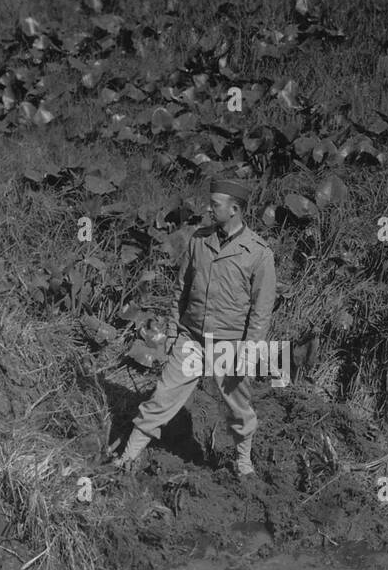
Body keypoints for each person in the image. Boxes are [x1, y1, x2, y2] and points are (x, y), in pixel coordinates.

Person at [114, 177, 276, 477]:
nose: (208, 209)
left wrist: (250, 352)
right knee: (162, 396)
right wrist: (174, 331)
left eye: (215, 205)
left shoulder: (259, 253)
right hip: (192, 339)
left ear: (235, 209)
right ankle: (128, 455)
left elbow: (261, 311)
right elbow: (181, 289)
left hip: (230, 345)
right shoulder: (199, 240)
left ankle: (243, 463)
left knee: (239, 409)